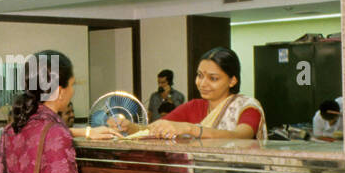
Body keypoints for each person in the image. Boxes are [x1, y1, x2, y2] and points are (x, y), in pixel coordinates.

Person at [110, 47, 267, 141]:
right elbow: (151, 130)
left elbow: (240, 137)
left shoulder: (247, 107)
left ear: (232, 81)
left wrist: (190, 129)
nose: (202, 83)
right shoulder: (194, 106)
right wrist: (129, 126)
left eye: (213, 78)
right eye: (199, 75)